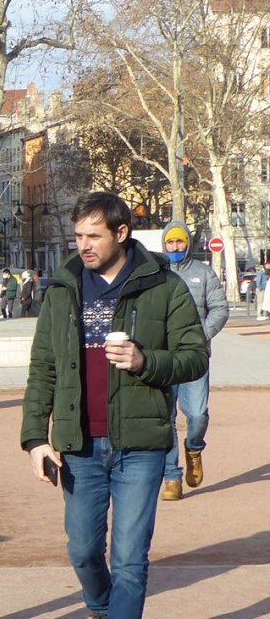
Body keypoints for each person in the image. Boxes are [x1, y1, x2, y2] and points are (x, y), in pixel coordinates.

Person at [21, 192, 208, 618]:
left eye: (93, 235)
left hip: (140, 444)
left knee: (129, 558)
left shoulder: (164, 285)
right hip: (79, 443)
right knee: (84, 551)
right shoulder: (61, 289)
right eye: (78, 236)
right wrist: (35, 437)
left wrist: (147, 361)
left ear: (121, 233)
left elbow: (195, 355)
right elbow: (43, 367)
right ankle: (101, 606)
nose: (83, 245)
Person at [159, 221, 229, 501]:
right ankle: (172, 479)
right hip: (164, 358)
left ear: (188, 243)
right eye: (170, 243)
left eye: (179, 242)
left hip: (195, 357)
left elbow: (220, 309)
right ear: (164, 245)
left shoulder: (204, 273)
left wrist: (202, 336)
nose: (175, 248)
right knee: (166, 419)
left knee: (197, 414)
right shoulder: (158, 274)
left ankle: (195, 447)